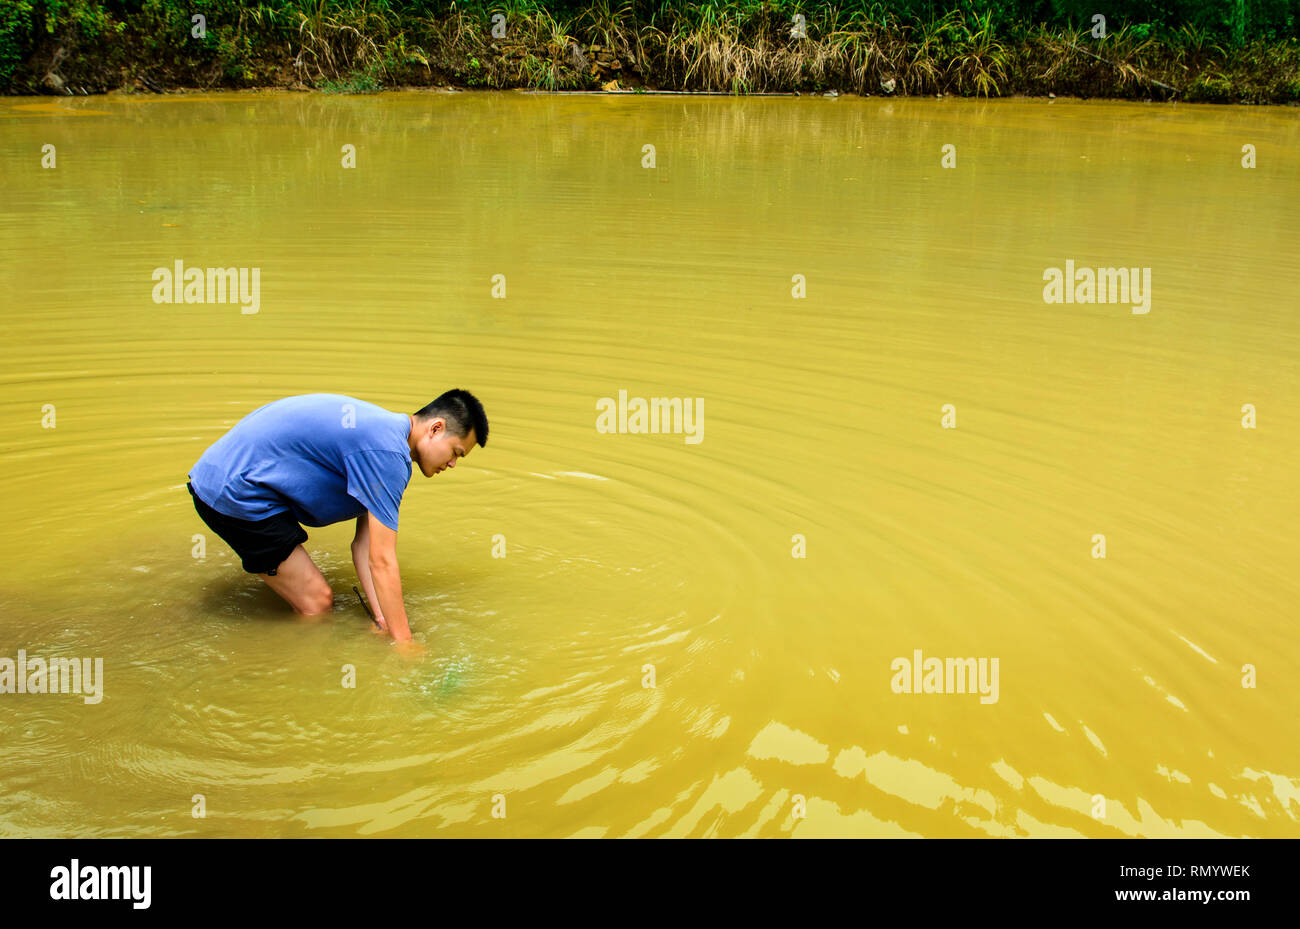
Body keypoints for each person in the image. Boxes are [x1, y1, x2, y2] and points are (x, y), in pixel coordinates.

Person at [186, 389, 488, 643]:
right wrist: (405, 644)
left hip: (230, 477)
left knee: (322, 601)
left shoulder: (385, 438)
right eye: (456, 452)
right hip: (235, 491)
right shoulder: (388, 455)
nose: (452, 464)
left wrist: (383, 619)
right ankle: (284, 676)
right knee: (316, 604)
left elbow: (364, 547)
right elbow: (382, 561)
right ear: (435, 429)